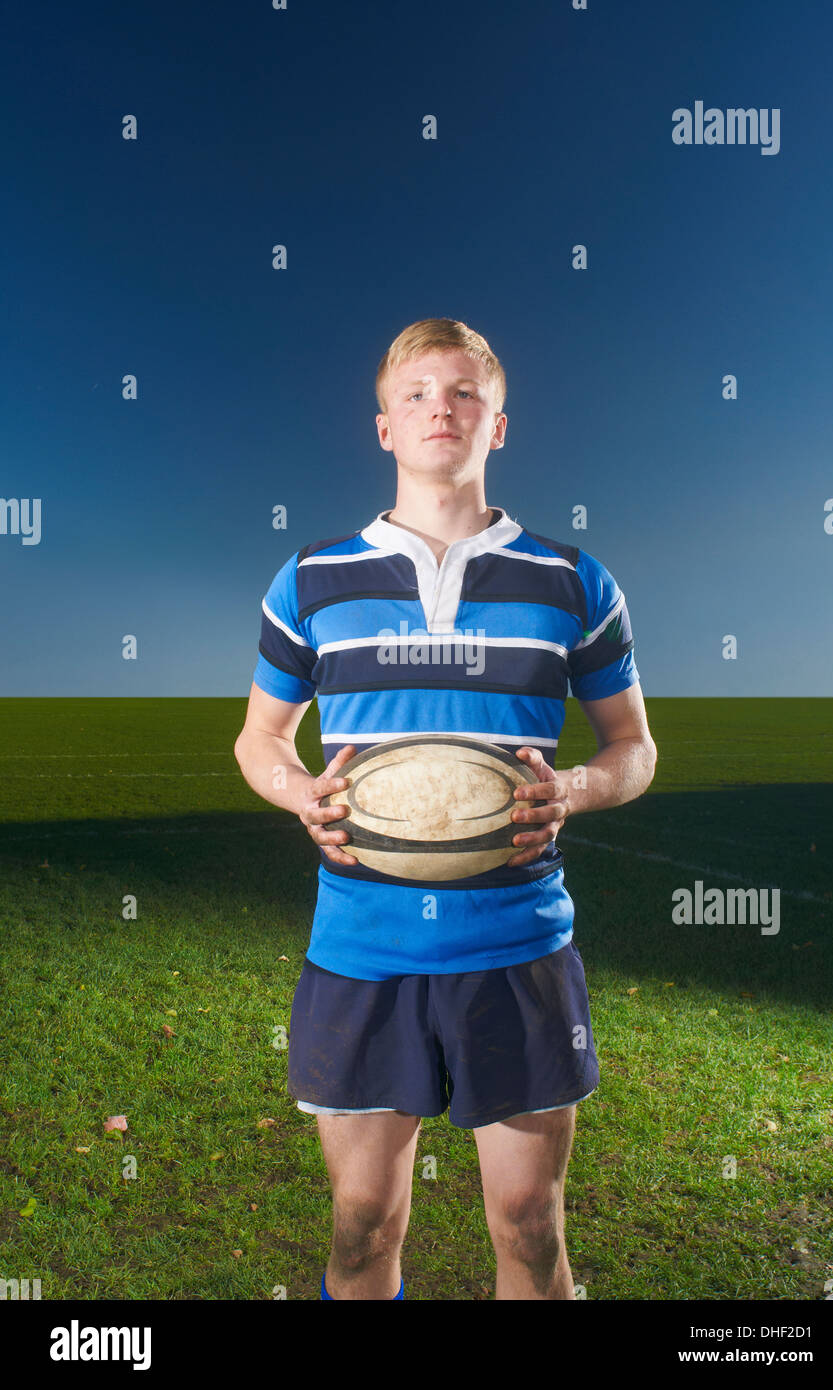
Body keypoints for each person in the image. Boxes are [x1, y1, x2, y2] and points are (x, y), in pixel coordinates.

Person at [234, 318, 657, 1300]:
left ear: (496, 424)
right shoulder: (309, 580)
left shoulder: (571, 581)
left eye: (463, 391)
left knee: (527, 1228)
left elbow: (631, 749)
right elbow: (259, 739)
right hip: (361, 946)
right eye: (417, 393)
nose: (440, 407)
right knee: (359, 1226)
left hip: (515, 944)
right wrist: (298, 789)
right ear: (383, 425)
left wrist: (577, 787)